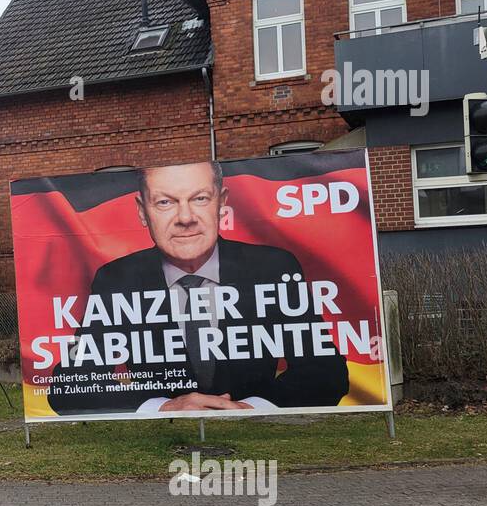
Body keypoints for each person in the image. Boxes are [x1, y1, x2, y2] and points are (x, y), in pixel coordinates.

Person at [49, 160, 349, 415]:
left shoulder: (273, 268)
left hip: (259, 435)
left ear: (222, 201)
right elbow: (68, 388)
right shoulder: (117, 279)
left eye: (200, 199)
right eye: (165, 202)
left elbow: (327, 375)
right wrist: (162, 408)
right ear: (142, 211)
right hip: (162, 445)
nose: (185, 218)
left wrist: (253, 408)